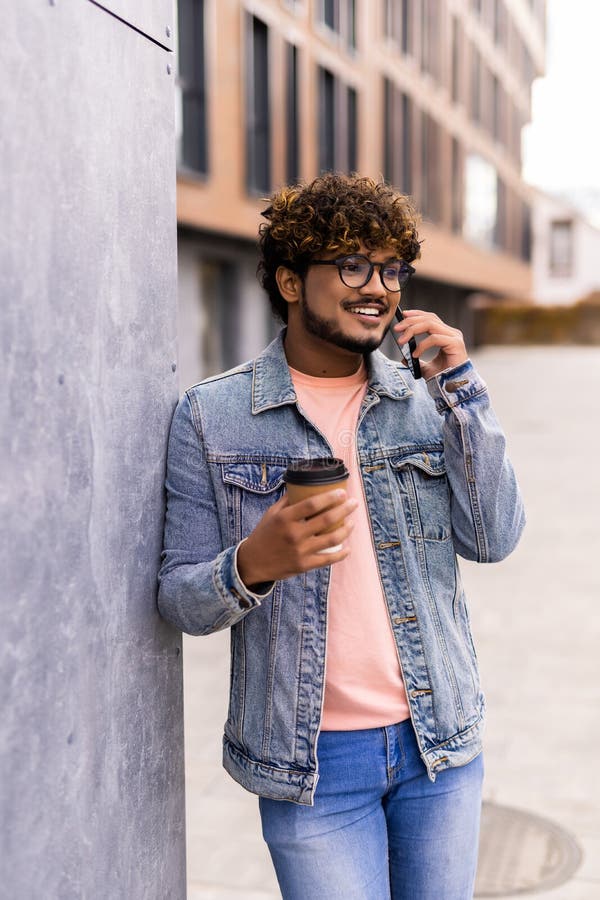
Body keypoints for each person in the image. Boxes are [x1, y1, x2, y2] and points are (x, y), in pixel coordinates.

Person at [157, 173, 525, 900]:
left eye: (390, 269)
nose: (378, 287)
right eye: (353, 264)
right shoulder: (211, 416)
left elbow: (494, 538)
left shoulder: (426, 400)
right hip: (312, 767)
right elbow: (178, 599)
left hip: (437, 744)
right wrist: (254, 564)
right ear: (291, 282)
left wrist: (466, 394)